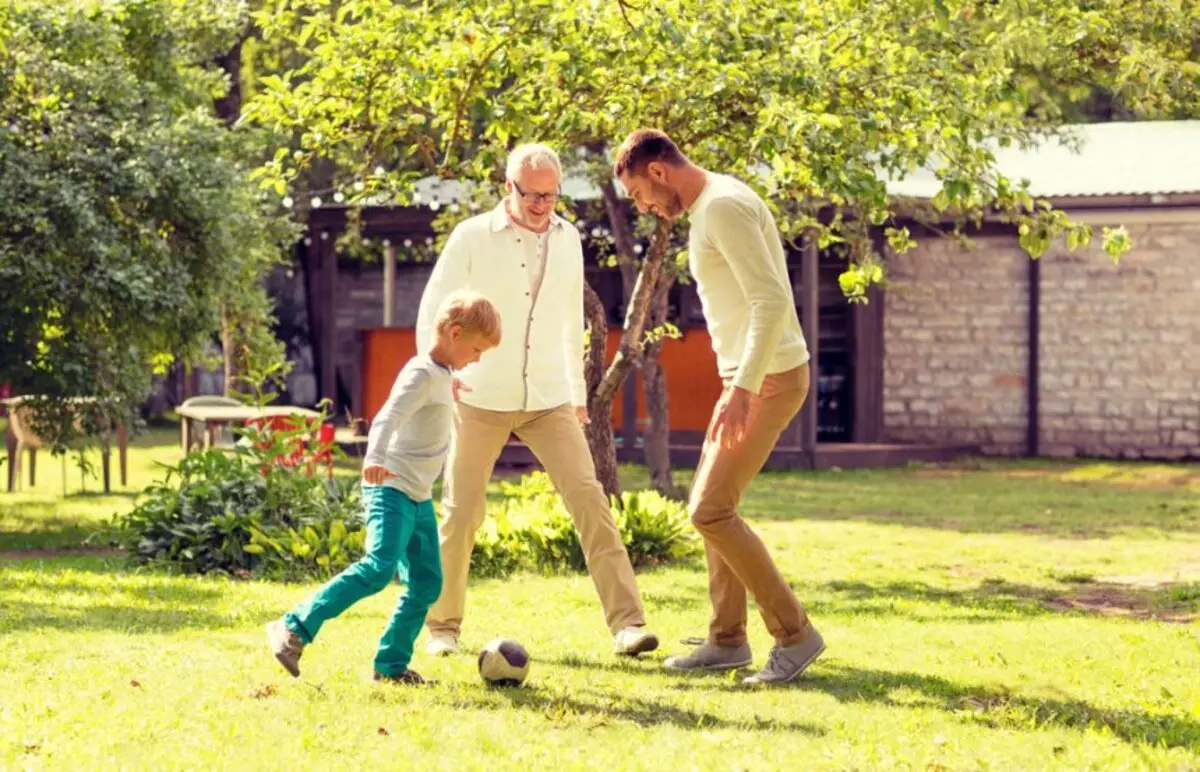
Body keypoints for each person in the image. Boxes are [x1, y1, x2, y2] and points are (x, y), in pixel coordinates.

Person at [416, 143, 659, 658]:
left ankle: (627, 625)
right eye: (533, 195)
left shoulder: (568, 238)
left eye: (551, 195)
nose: (543, 205)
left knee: (591, 501)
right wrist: (437, 372)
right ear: (510, 187)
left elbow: (571, 321)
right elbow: (433, 306)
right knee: (461, 513)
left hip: (548, 395)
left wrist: (575, 393)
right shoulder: (473, 237)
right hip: (480, 394)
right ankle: (442, 629)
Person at [612, 129, 825, 685]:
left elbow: (771, 299)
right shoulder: (714, 205)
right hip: (748, 378)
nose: (644, 206)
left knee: (710, 510)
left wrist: (743, 387)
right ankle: (727, 641)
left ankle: (795, 635)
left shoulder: (724, 205)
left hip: (769, 378)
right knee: (712, 510)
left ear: (658, 172)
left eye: (639, 194)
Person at [266, 291, 502, 685]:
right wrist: (373, 458)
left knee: (427, 582)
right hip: (390, 486)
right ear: (455, 333)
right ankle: (292, 627)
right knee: (379, 568)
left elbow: (434, 397)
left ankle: (390, 667)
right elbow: (388, 415)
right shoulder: (420, 373)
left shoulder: (441, 376)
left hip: (417, 495)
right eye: (477, 349)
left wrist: (450, 389)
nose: (477, 358)